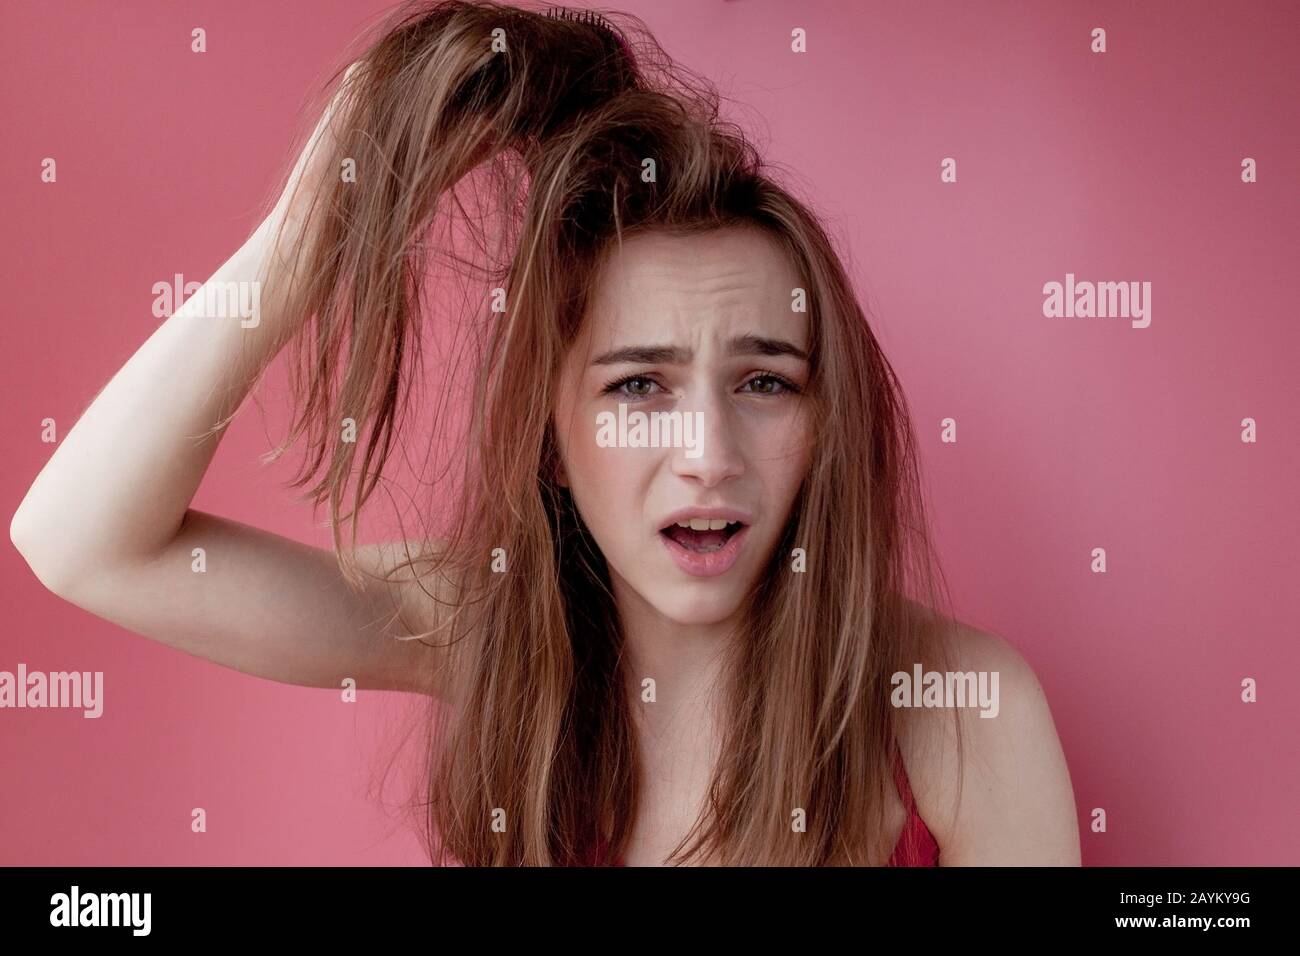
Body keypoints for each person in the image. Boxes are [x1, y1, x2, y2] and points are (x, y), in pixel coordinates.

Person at [9, 0, 1080, 866]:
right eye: (635, 387)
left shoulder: (957, 713)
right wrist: (307, 237)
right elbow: (84, 540)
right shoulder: (490, 625)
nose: (708, 450)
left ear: (825, 420)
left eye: (763, 379)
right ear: (554, 435)